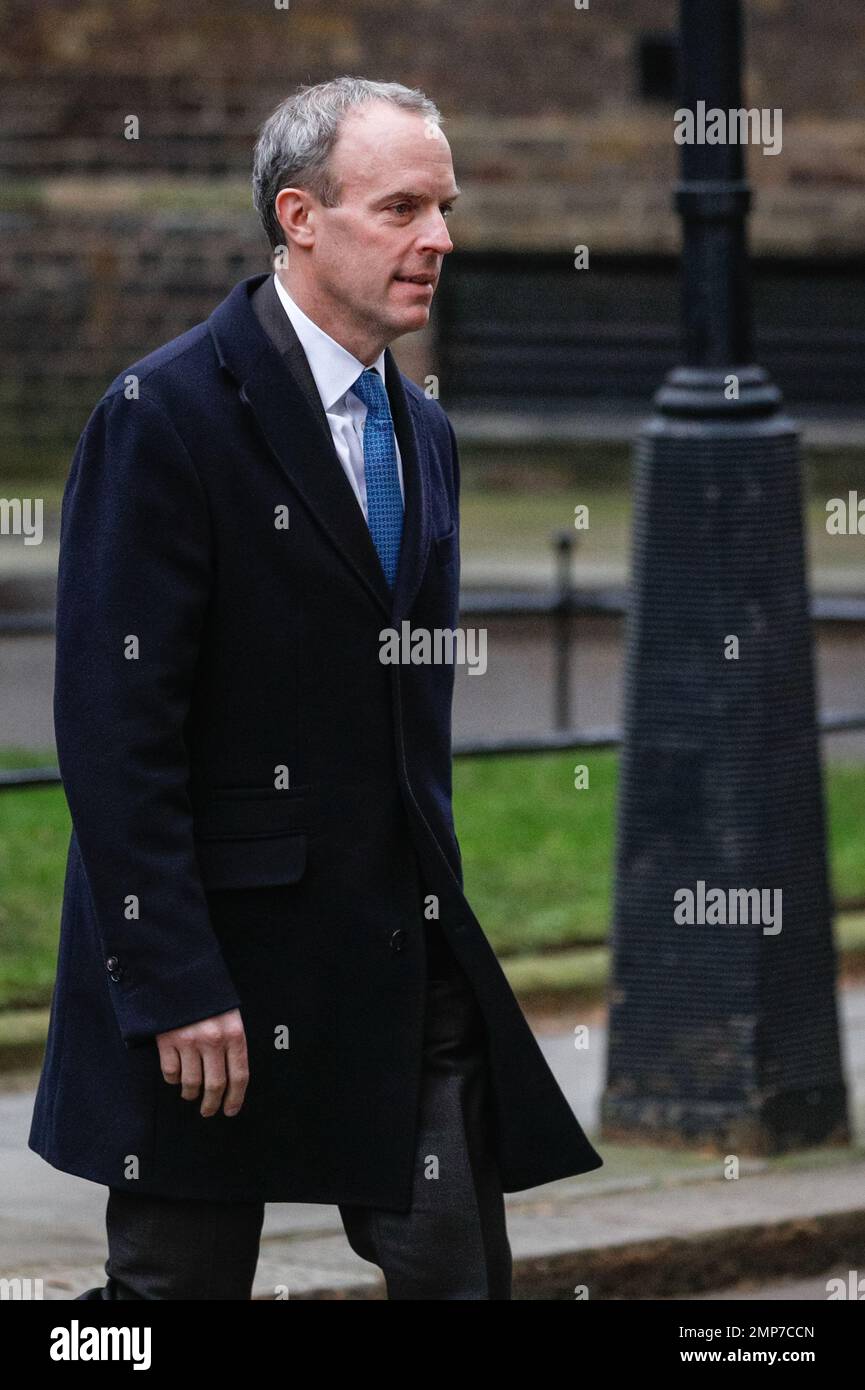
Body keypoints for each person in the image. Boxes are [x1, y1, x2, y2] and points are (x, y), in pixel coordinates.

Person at [29, 75, 602, 1301]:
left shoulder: (426, 434)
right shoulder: (164, 414)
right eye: (400, 208)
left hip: (397, 964)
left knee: (461, 1283)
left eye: (442, 208)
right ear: (299, 216)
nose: (438, 239)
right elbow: (113, 728)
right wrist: (173, 978)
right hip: (216, 970)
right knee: (164, 1304)